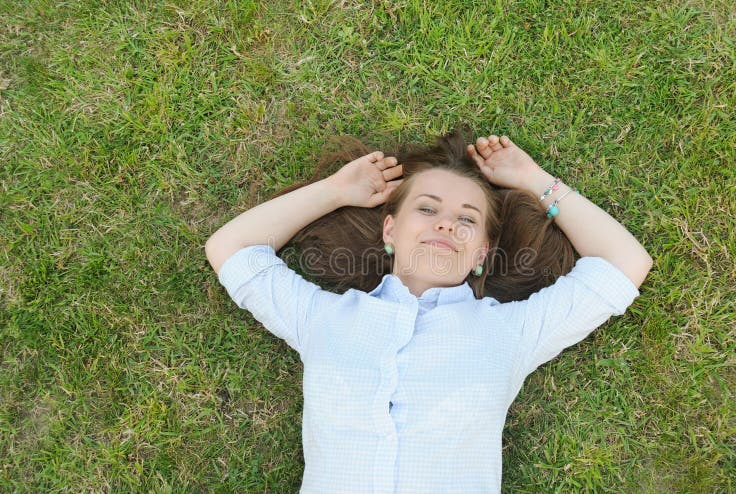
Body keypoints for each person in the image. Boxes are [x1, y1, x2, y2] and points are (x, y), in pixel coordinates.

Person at [205, 129, 652, 493]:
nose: (445, 223)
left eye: (467, 219)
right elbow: (231, 249)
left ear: (482, 253)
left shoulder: (508, 332)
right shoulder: (323, 318)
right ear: (390, 229)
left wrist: (535, 180)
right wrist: (334, 191)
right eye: (426, 208)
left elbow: (624, 263)